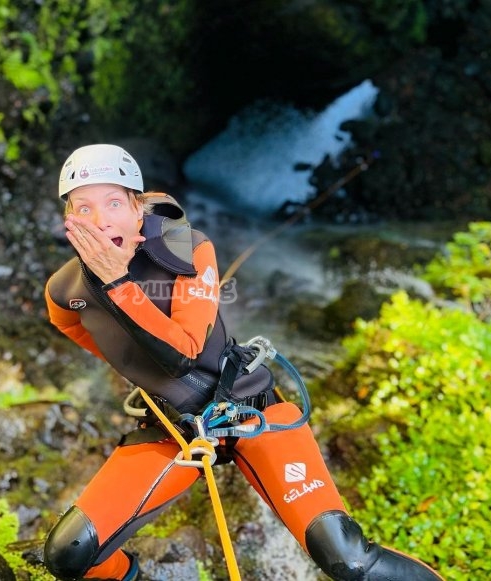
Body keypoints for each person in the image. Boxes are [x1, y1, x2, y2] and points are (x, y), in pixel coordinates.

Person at [43, 144, 443, 581]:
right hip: (173, 430)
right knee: (70, 553)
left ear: (138, 209)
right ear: (70, 220)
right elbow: (71, 323)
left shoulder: (186, 249)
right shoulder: (65, 287)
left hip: (250, 410)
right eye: (84, 207)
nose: (100, 220)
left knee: (348, 558)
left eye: (114, 203)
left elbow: (185, 352)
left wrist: (118, 283)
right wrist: (135, 365)